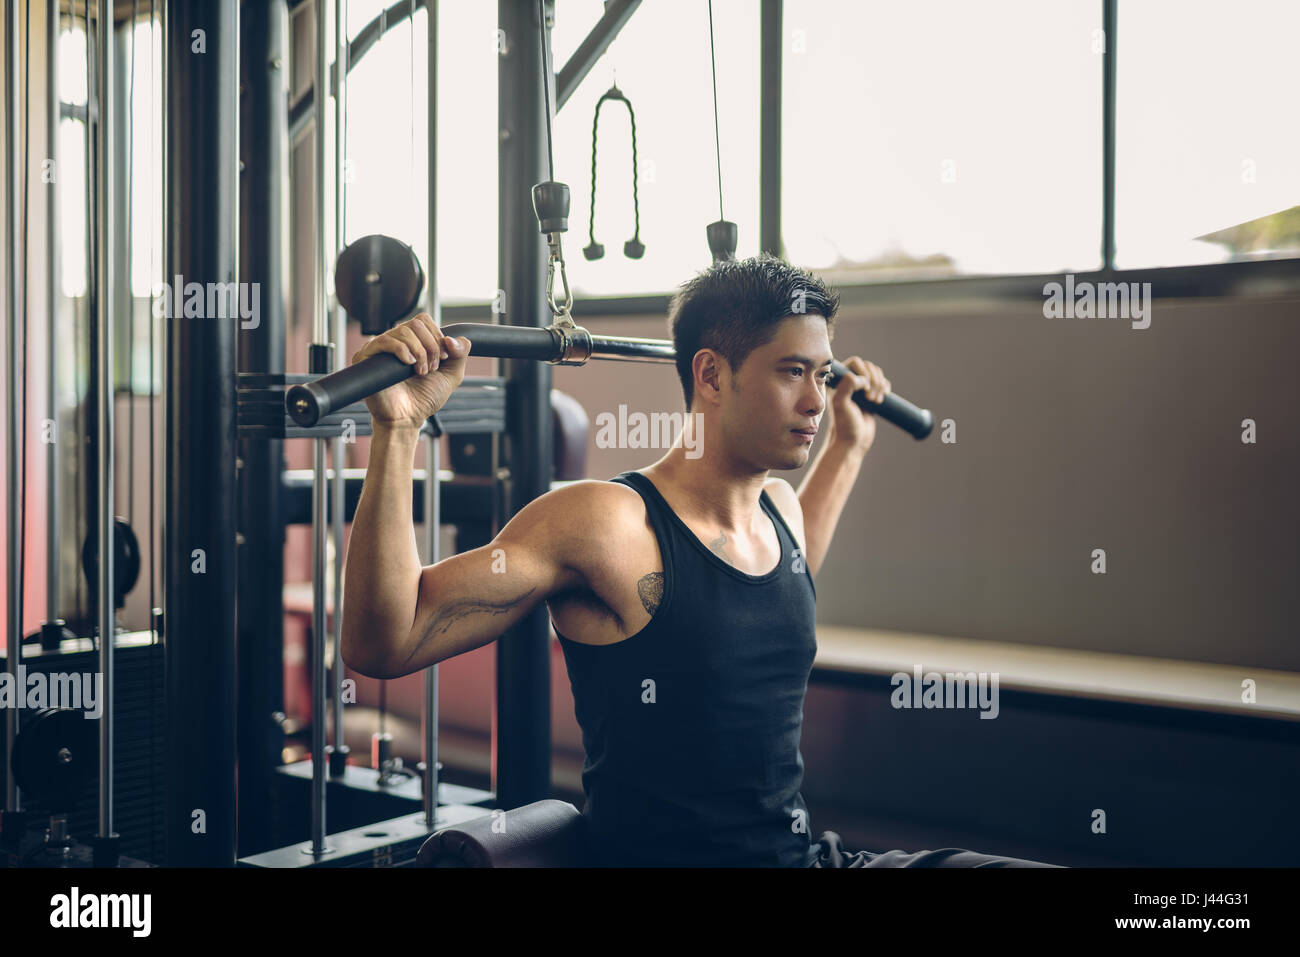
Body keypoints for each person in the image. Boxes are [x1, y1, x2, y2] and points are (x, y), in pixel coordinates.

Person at [340, 253, 1060, 869]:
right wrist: (398, 429)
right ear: (711, 376)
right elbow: (386, 638)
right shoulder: (607, 524)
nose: (815, 399)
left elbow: (786, 576)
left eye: (821, 372)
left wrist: (848, 444)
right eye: (791, 372)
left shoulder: (777, 513)